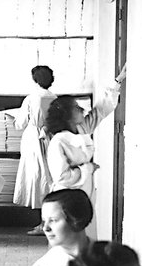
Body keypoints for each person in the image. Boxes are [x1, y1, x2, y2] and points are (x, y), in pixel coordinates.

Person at [44, 63, 126, 238]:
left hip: (85, 194)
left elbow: (102, 109)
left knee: (86, 238)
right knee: (69, 242)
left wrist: (118, 80)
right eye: (77, 108)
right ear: (66, 115)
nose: (83, 110)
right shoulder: (58, 142)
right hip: (66, 199)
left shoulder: (82, 129)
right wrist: (87, 169)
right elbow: (62, 177)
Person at [11, 64, 55, 233]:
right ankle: (47, 222)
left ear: (36, 79)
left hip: (33, 138)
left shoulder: (31, 98)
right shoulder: (54, 97)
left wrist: (15, 119)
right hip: (49, 138)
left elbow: (20, 123)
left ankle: (41, 223)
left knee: (36, 178)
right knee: (48, 177)